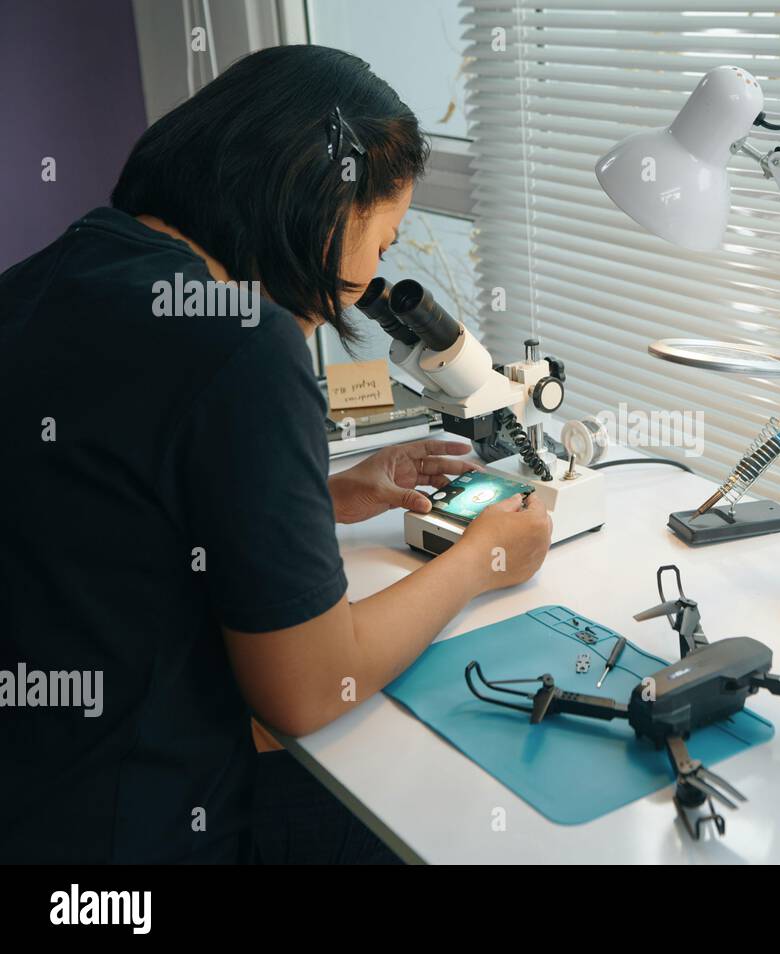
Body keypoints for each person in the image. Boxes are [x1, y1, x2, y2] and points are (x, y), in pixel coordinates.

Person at [0, 44, 551, 864]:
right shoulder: (240, 342)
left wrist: (313, 498)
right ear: (326, 204)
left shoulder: (55, 271)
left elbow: (101, 514)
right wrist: (481, 559)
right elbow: (308, 687)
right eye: (385, 237)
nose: (371, 274)